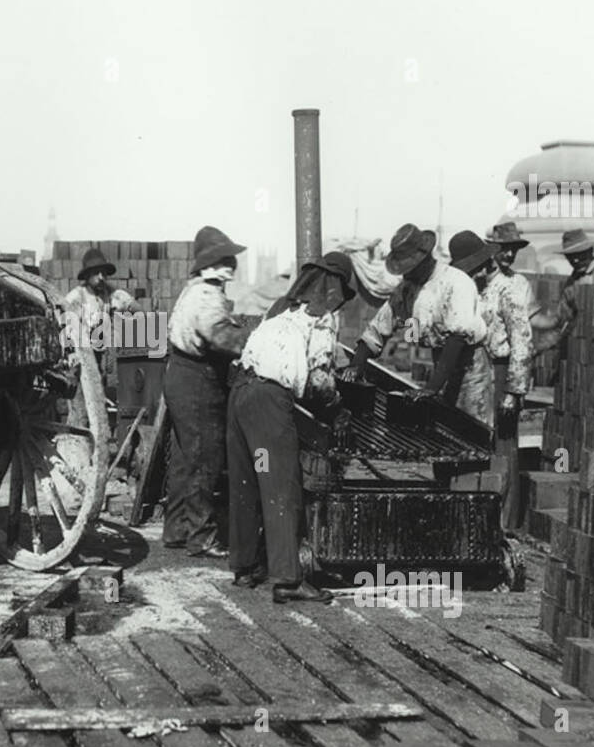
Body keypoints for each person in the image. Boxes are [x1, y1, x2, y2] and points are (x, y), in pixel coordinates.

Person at [228, 252, 356, 603]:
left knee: (251, 478)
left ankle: (244, 566)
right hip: (269, 405)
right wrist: (337, 409)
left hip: (240, 395)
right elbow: (318, 377)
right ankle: (287, 577)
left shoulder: (279, 309)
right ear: (335, 290)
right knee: (280, 485)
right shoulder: (323, 318)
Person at [163, 226, 249, 559]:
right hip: (199, 379)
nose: (231, 265)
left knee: (186, 459)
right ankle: (202, 536)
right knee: (206, 459)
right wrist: (249, 345)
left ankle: (177, 529)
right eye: (225, 259)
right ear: (211, 265)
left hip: (180, 374)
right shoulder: (208, 294)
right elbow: (217, 335)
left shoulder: (192, 290)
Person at [347, 224, 488, 415]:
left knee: (471, 428)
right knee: (443, 424)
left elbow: (457, 337)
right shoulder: (407, 288)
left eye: (409, 269)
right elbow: (379, 328)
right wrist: (357, 364)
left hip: (469, 368)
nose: (406, 274)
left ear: (424, 260)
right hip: (441, 360)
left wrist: (431, 388)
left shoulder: (456, 282)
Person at [482, 220, 535, 529]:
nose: (508, 256)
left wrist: (514, 390)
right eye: (503, 249)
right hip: (479, 369)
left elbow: (521, 340)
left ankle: (505, 520)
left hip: (502, 369)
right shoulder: (478, 282)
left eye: (513, 250)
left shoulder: (516, 285)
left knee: (504, 443)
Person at [535, 229, 594, 350]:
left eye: (579, 254)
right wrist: (539, 347)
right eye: (571, 256)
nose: (575, 260)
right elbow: (563, 322)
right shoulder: (572, 282)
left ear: (590, 251)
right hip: (585, 347)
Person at [64, 247, 137, 396]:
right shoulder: (76, 297)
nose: (101, 277)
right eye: (96, 273)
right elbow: (63, 326)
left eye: (103, 273)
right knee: (81, 406)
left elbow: (133, 306)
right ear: (87, 275)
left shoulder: (108, 294)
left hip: (98, 361)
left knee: (98, 402)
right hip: (80, 363)